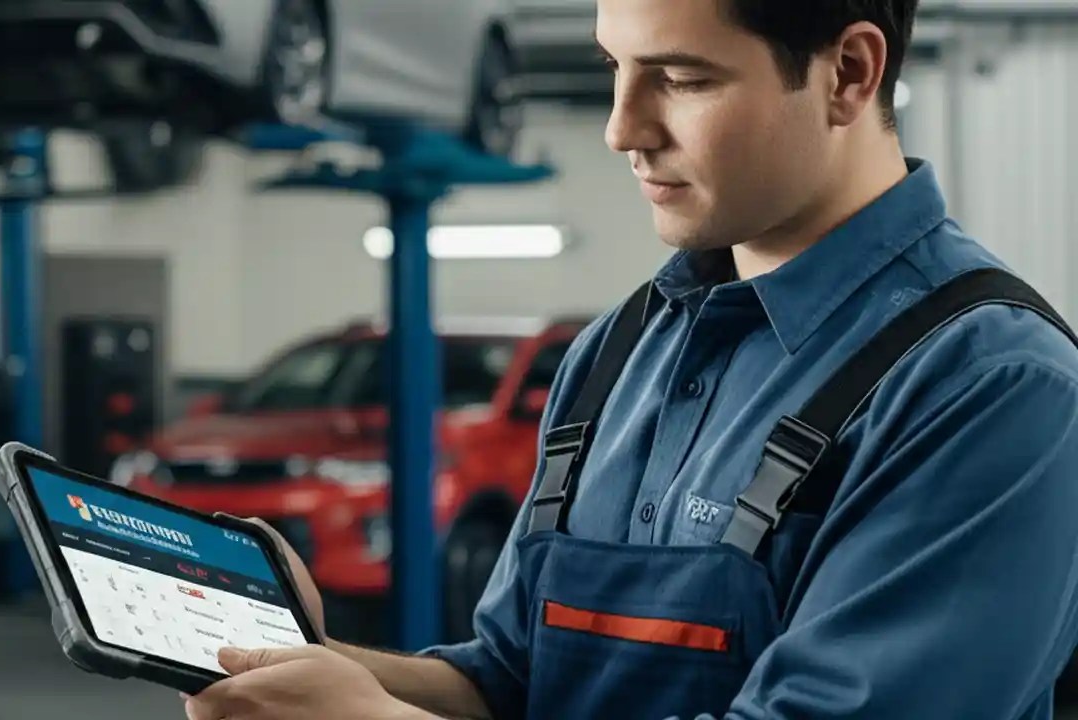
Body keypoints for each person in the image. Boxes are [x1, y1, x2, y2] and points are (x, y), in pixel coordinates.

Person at [184, 0, 1078, 718]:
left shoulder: (993, 388)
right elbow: (511, 681)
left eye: (682, 79)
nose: (622, 128)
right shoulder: (613, 354)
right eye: (616, 68)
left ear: (847, 73)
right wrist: (304, 661)